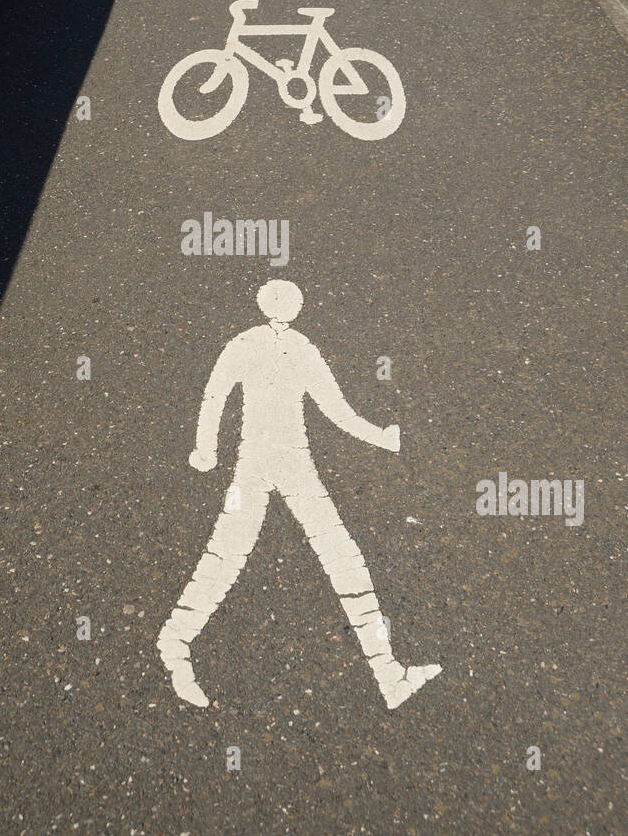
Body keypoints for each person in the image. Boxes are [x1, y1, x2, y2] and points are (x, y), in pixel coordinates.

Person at [158, 280, 441, 709]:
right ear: (297, 306)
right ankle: (386, 673)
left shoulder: (245, 344)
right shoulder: (300, 348)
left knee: (230, 555)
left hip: (265, 466)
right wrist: (382, 438)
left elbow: (215, 397)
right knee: (332, 557)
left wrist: (206, 450)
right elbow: (337, 410)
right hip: (282, 464)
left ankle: (176, 640)